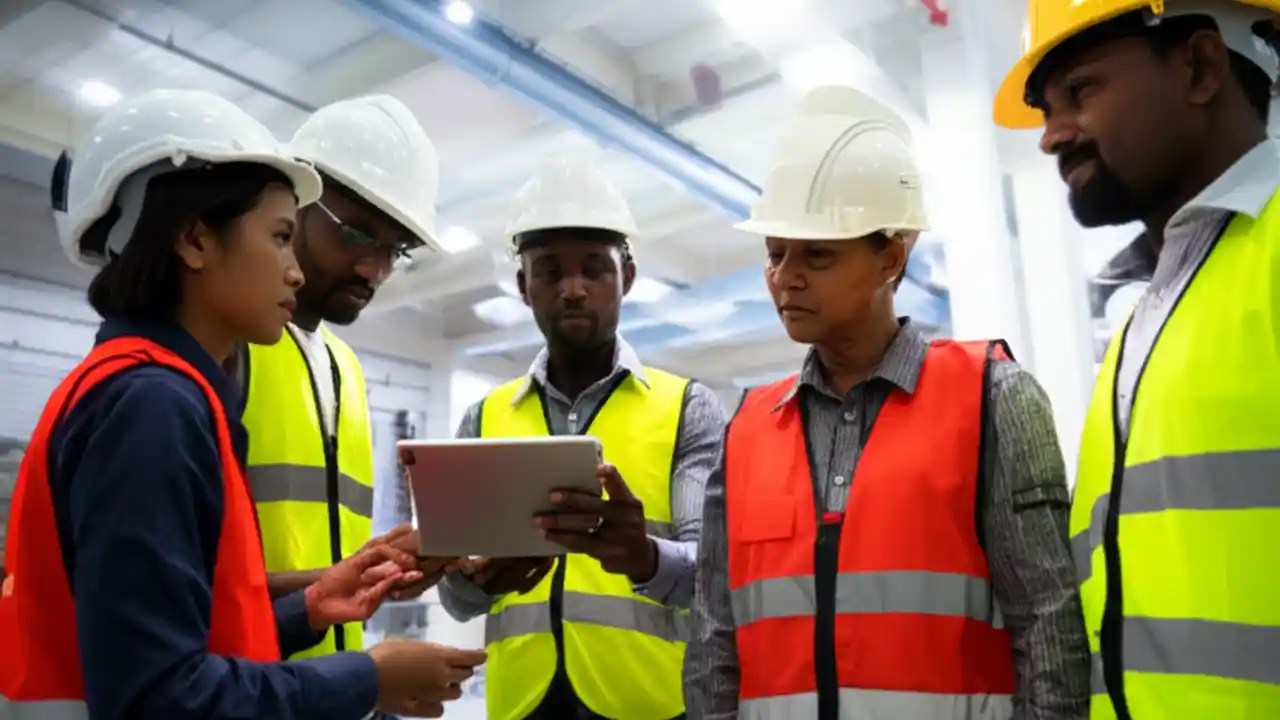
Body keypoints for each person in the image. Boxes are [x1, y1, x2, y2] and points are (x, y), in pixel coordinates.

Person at [0, 89, 484, 720]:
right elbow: (158, 696)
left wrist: (310, 606)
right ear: (195, 240)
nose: (293, 271)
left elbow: (189, 635)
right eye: (282, 236)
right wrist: (366, 677)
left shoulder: (157, 388)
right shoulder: (152, 406)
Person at [685, 85, 1091, 720]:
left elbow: (1047, 626)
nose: (785, 277)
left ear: (891, 258)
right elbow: (715, 639)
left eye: (817, 254)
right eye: (774, 255)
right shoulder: (745, 430)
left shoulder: (992, 399)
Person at [994, 0, 1280, 717]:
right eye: (1047, 107)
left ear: (1200, 67)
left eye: (1081, 90)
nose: (1052, 135)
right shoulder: (1140, 321)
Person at [437, 154, 725, 720]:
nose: (572, 289)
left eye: (594, 268)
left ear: (628, 278)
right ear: (523, 285)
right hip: (522, 703)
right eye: (549, 270)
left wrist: (645, 558)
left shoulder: (687, 408)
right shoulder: (483, 418)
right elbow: (455, 599)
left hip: (649, 705)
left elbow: (716, 582)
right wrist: (480, 579)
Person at [227, 94, 449, 659]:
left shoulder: (344, 368)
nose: (375, 268)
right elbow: (187, 585)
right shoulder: (231, 346)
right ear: (293, 206)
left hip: (334, 684)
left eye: (395, 249)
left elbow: (330, 550)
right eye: (356, 233)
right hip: (242, 684)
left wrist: (382, 564)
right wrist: (341, 580)